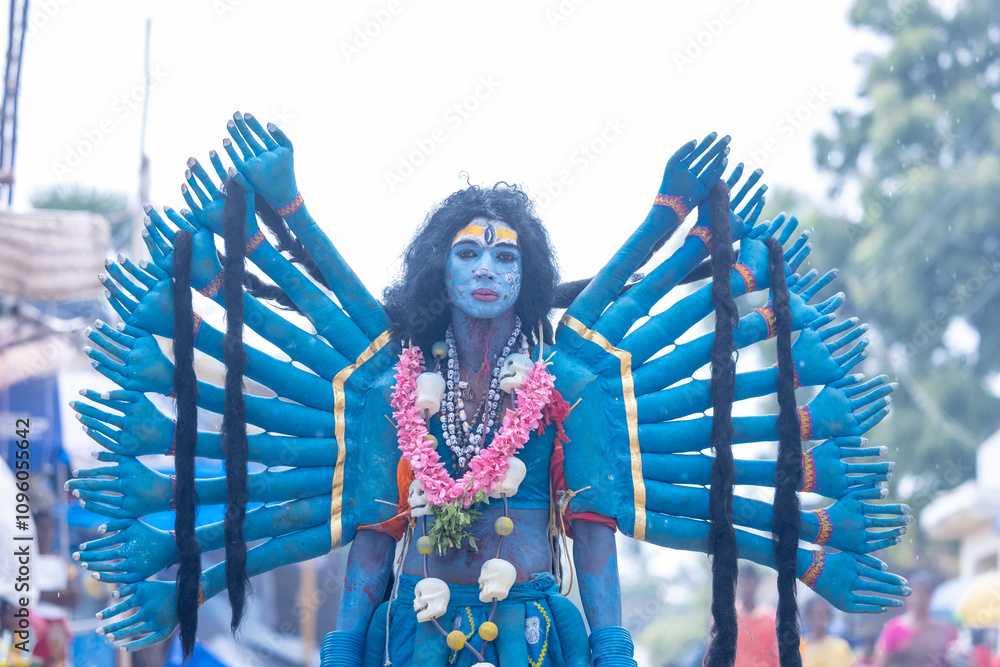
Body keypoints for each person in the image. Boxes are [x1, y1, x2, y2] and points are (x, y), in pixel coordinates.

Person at [64, 115, 912, 666]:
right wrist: (344, 645)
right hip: (417, 633)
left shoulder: (569, 383)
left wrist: (614, 650)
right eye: (468, 253)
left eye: (506, 256)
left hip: (533, 635)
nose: (486, 269)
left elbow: (593, 541)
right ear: (439, 271)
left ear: (527, 276)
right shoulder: (393, 385)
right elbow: (372, 540)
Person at [875, 572, 956, 667]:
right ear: (907, 596)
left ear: (930, 597)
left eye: (924, 593)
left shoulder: (943, 630)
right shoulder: (895, 628)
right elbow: (882, 662)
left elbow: (953, 660)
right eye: (915, 592)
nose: (919, 598)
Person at [734, 563, 778, 667]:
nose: (747, 581)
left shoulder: (770, 618)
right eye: (744, 577)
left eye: (750, 578)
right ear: (738, 582)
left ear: (757, 582)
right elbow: (715, 650)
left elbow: (776, 656)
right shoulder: (728, 615)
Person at [799, 597, 853, 667]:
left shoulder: (840, 646)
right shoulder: (799, 647)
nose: (823, 620)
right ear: (809, 618)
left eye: (826, 615)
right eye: (819, 615)